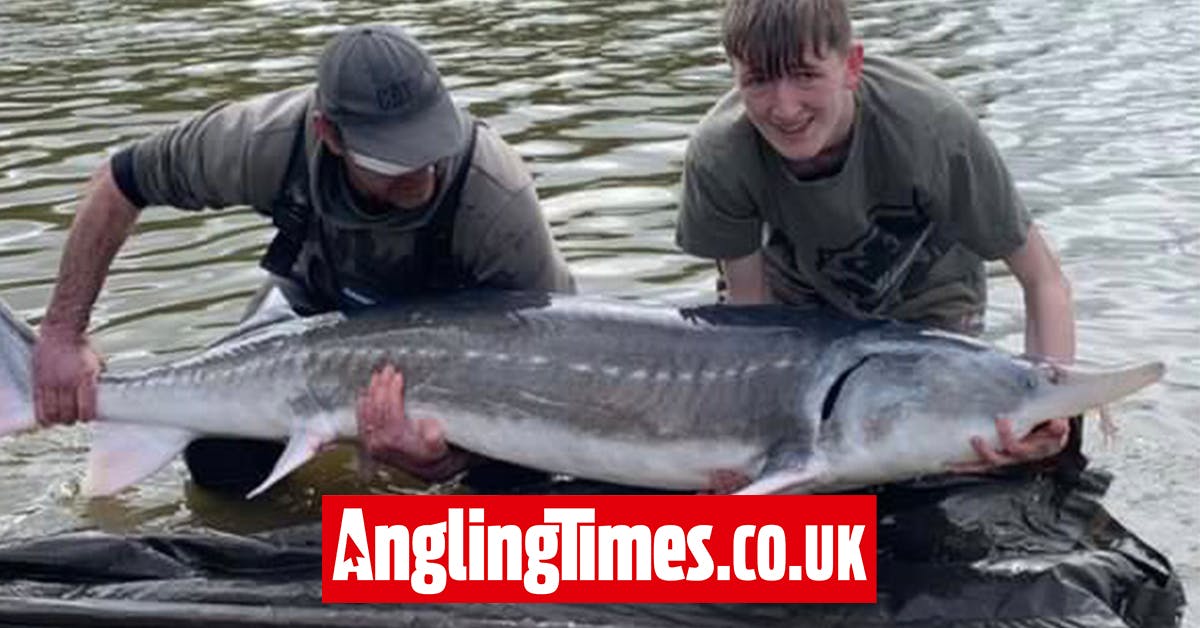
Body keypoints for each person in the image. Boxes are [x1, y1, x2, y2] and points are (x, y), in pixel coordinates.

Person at [32, 24, 575, 494]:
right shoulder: (264, 139)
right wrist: (62, 332)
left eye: (432, 150)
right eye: (396, 161)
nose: (424, 177)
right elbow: (119, 182)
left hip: (466, 341)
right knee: (221, 459)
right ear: (329, 135)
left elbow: (558, 372)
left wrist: (447, 462)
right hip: (310, 309)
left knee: (519, 479)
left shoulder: (494, 193)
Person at [675, 0, 1076, 473]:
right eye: (758, 80)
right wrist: (742, 443)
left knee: (964, 461)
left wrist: (1051, 411)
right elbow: (749, 320)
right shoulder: (720, 154)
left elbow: (1042, 279)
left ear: (851, 65)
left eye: (805, 75)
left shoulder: (932, 127)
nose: (784, 108)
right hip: (796, 317)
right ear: (735, 74)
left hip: (928, 304)